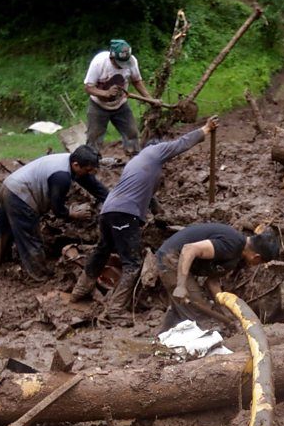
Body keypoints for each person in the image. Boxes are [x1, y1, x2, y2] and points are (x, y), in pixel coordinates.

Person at [70, 116, 220, 326]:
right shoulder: (154, 152)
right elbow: (180, 144)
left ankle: (79, 291)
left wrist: (161, 217)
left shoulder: (138, 164)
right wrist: (204, 130)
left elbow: (147, 196)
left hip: (109, 212)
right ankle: (116, 310)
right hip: (124, 214)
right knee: (133, 263)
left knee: (102, 251)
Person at [0, 146, 108, 282]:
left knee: (3, 230)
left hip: (9, 186)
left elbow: (93, 185)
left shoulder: (71, 161)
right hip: (20, 195)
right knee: (30, 237)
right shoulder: (62, 176)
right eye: (88, 170)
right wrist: (72, 213)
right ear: (76, 165)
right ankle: (39, 275)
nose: (90, 173)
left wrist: (112, 200)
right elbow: (57, 208)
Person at [156, 223, 281, 332]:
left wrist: (225, 308)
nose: (255, 266)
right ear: (257, 257)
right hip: (171, 257)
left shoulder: (237, 256)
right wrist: (181, 285)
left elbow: (213, 281)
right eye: (259, 263)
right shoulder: (232, 243)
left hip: (179, 261)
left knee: (183, 308)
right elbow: (189, 249)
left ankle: (160, 341)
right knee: (199, 312)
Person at [83, 39, 161, 156]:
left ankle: (134, 160)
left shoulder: (132, 61)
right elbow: (88, 87)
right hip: (98, 106)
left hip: (121, 105)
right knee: (94, 138)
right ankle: (92, 164)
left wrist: (150, 99)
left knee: (132, 134)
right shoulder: (99, 63)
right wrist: (105, 93)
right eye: (119, 63)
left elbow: (137, 81)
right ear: (112, 57)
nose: (122, 66)